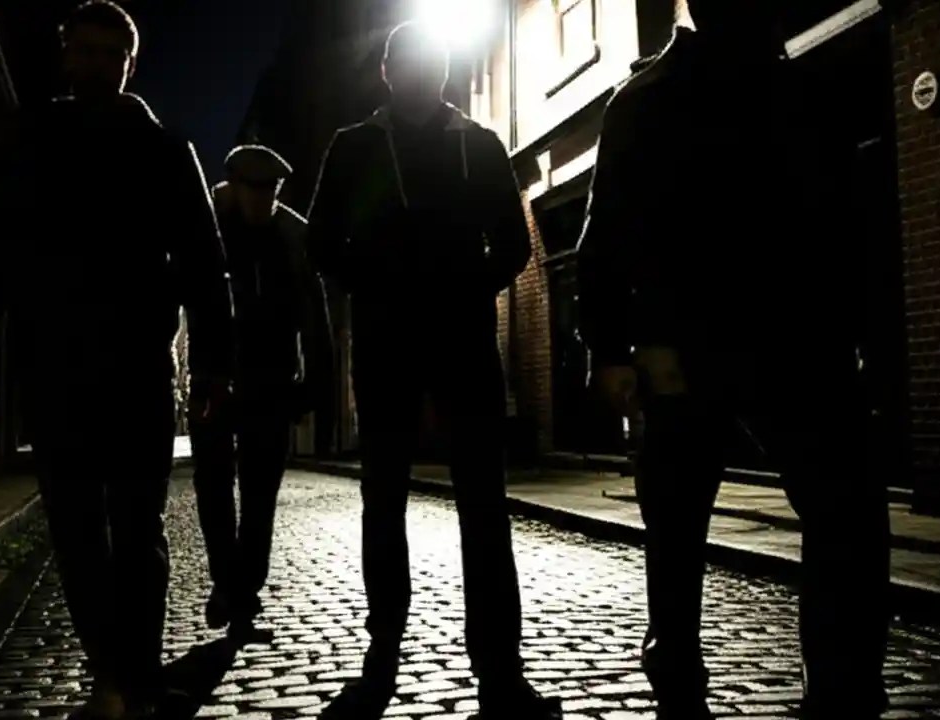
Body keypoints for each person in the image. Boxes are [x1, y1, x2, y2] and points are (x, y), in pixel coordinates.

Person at [575, 2, 890, 718]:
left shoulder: (767, 90)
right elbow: (609, 233)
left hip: (766, 337)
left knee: (714, 519)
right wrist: (608, 346)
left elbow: (846, 223)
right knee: (695, 519)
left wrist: (609, 346)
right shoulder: (663, 98)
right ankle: (704, 678)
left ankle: (827, 687)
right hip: (722, 342)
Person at [0, 2, 234, 718]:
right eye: (84, 50)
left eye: (111, 54)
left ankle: (135, 676)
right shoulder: (30, 142)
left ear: (129, 65)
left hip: (138, 369)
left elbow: (204, 265)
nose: (96, 65)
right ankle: (111, 672)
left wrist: (211, 367)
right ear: (65, 53)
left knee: (139, 531)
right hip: (54, 368)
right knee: (77, 531)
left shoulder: (165, 150)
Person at [306, 21, 562, 720]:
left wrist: (467, 286)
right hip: (386, 345)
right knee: (383, 502)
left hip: (464, 342)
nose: (425, 75)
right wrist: (376, 285)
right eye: (411, 64)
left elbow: (513, 242)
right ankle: (381, 660)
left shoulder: (478, 144)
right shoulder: (354, 146)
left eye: (435, 64)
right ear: (388, 72)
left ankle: (500, 673)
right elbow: (322, 240)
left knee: (485, 507)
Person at [191, 144, 334, 645]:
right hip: (213, 379)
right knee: (213, 488)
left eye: (271, 191)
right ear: (234, 186)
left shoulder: (294, 235)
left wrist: (314, 386)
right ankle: (226, 584)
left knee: (260, 495)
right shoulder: (206, 228)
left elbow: (316, 318)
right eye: (255, 190)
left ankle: (244, 593)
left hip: (271, 383)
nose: (263, 200)